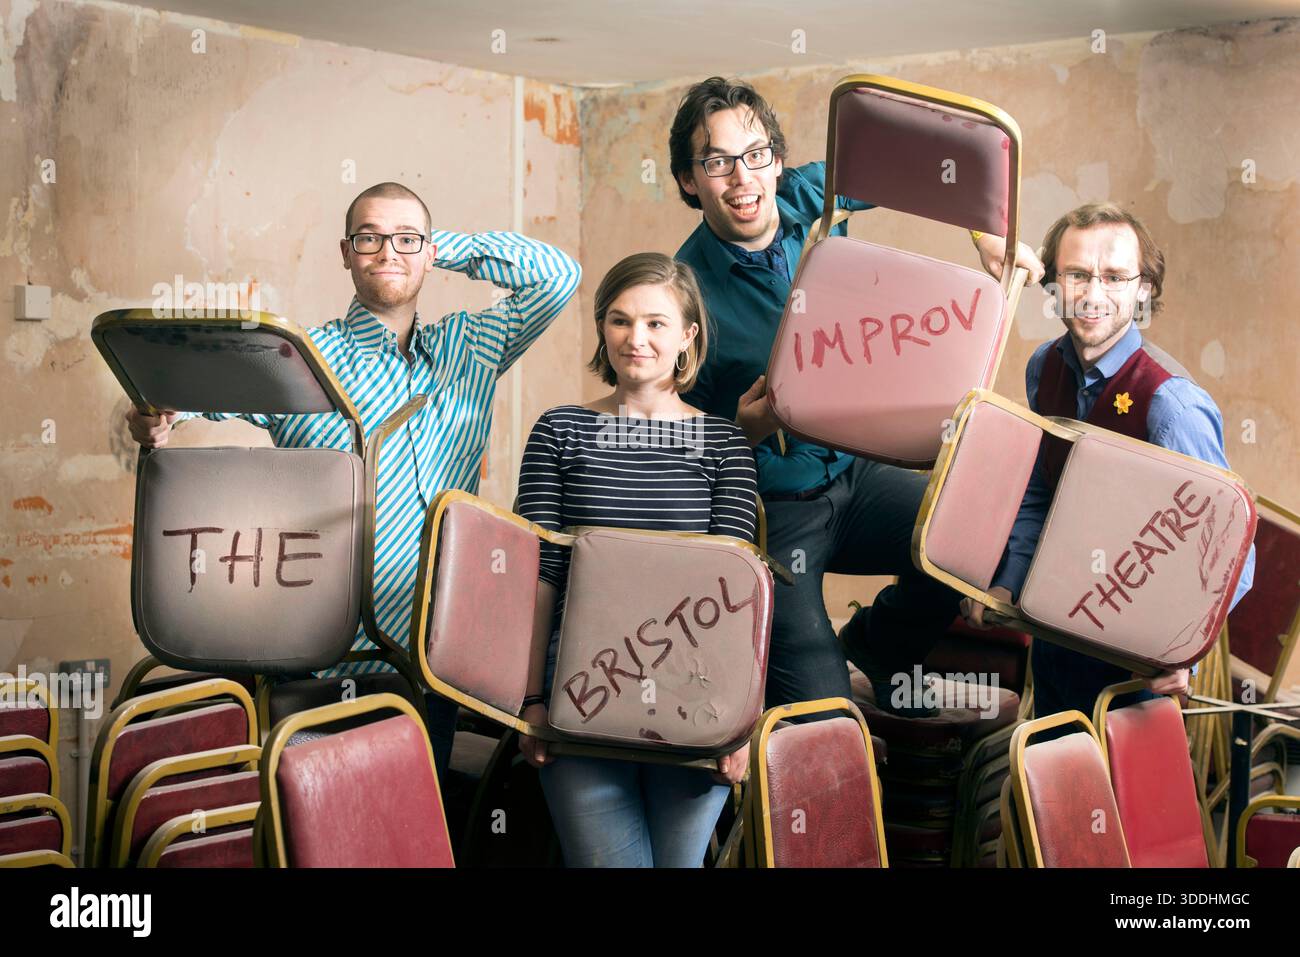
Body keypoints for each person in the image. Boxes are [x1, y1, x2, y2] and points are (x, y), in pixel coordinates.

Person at [126, 181, 581, 777]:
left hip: (431, 651)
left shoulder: (471, 347)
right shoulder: (300, 356)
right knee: (318, 830)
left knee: (415, 828)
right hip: (314, 654)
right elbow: (179, 396)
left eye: (405, 238)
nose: (388, 251)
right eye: (370, 238)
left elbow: (559, 275)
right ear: (345, 253)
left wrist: (431, 245)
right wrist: (153, 417)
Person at [668, 77, 1045, 715]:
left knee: (980, 535)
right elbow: (681, 454)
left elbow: (936, 166)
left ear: (777, 160)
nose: (742, 178)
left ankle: (877, 647)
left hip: (858, 475)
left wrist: (985, 229)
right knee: (827, 719)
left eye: (756, 154)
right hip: (776, 509)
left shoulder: (808, 194)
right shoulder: (679, 293)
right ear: (686, 179)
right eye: (717, 162)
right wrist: (744, 430)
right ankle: (827, 692)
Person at [961, 201, 1255, 720]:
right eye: (1077, 275)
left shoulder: (1171, 404)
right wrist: (1008, 579)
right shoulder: (1043, 367)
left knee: (1121, 797)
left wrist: (1182, 648)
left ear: (1144, 289)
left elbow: (1234, 552)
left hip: (1136, 659)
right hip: (1056, 627)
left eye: (1116, 277)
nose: (1094, 295)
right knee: (1051, 782)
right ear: (1052, 284)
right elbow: (1040, 491)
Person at [514, 252, 757, 867]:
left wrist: (739, 721)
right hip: (580, 689)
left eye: (655, 323)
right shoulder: (559, 430)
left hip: (693, 694)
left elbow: (736, 595)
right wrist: (529, 698)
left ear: (687, 337)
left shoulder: (723, 443)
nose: (635, 338)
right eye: (620, 321)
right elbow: (538, 574)